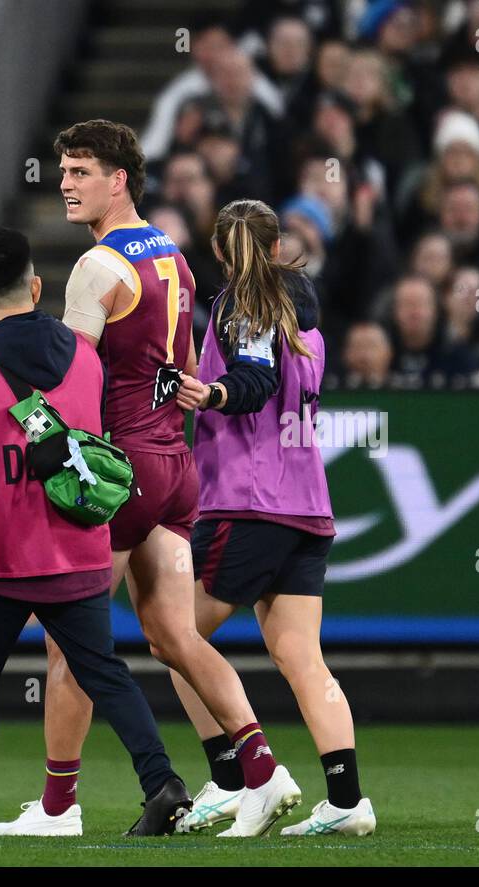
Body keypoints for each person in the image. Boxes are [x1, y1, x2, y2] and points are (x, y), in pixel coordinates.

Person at [0, 121, 299, 838]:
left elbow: (69, 389)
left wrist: (10, 400)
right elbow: (187, 366)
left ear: (118, 179)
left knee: (67, 641)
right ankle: (263, 770)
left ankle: (60, 809)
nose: (65, 183)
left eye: (79, 171)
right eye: (63, 171)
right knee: (173, 636)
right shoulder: (176, 260)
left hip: (118, 470)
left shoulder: (97, 270)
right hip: (172, 468)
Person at [0, 228, 188, 837]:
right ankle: (162, 783)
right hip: (78, 551)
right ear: (36, 287)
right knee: (103, 671)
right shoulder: (87, 358)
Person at [172, 199, 375, 836]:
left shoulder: (242, 304)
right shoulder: (306, 316)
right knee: (300, 657)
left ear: (223, 251)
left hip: (245, 501)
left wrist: (213, 393)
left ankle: (238, 779)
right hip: (307, 506)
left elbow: (252, 378)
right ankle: (347, 800)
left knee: (175, 637)